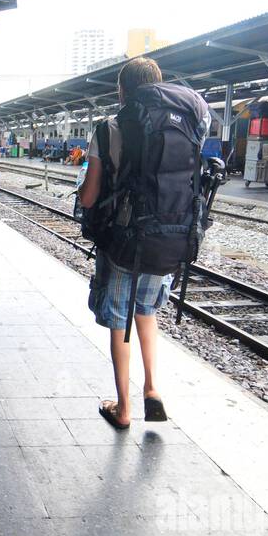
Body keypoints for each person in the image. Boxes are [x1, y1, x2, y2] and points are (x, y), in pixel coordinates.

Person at [78, 56, 188, 431]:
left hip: (123, 242)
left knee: (119, 321)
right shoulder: (181, 124)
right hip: (167, 239)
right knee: (146, 312)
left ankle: (123, 407)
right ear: (159, 85)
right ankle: (153, 389)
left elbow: (90, 197)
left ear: (122, 91)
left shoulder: (108, 129)